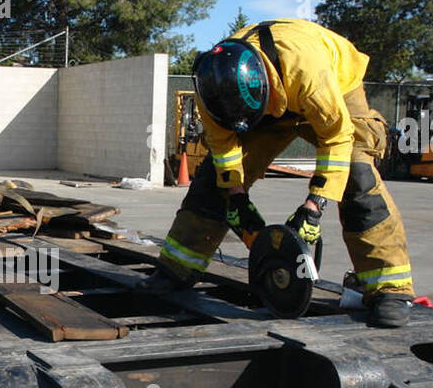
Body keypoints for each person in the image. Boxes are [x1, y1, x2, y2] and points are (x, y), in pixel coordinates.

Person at [147, 18, 415, 327]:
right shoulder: (213, 92)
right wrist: (236, 200)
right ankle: (176, 269)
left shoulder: (309, 75)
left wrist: (314, 207)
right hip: (267, 102)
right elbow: (225, 153)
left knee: (357, 176)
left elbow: (336, 139)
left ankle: (390, 289)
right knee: (212, 180)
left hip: (337, 88)